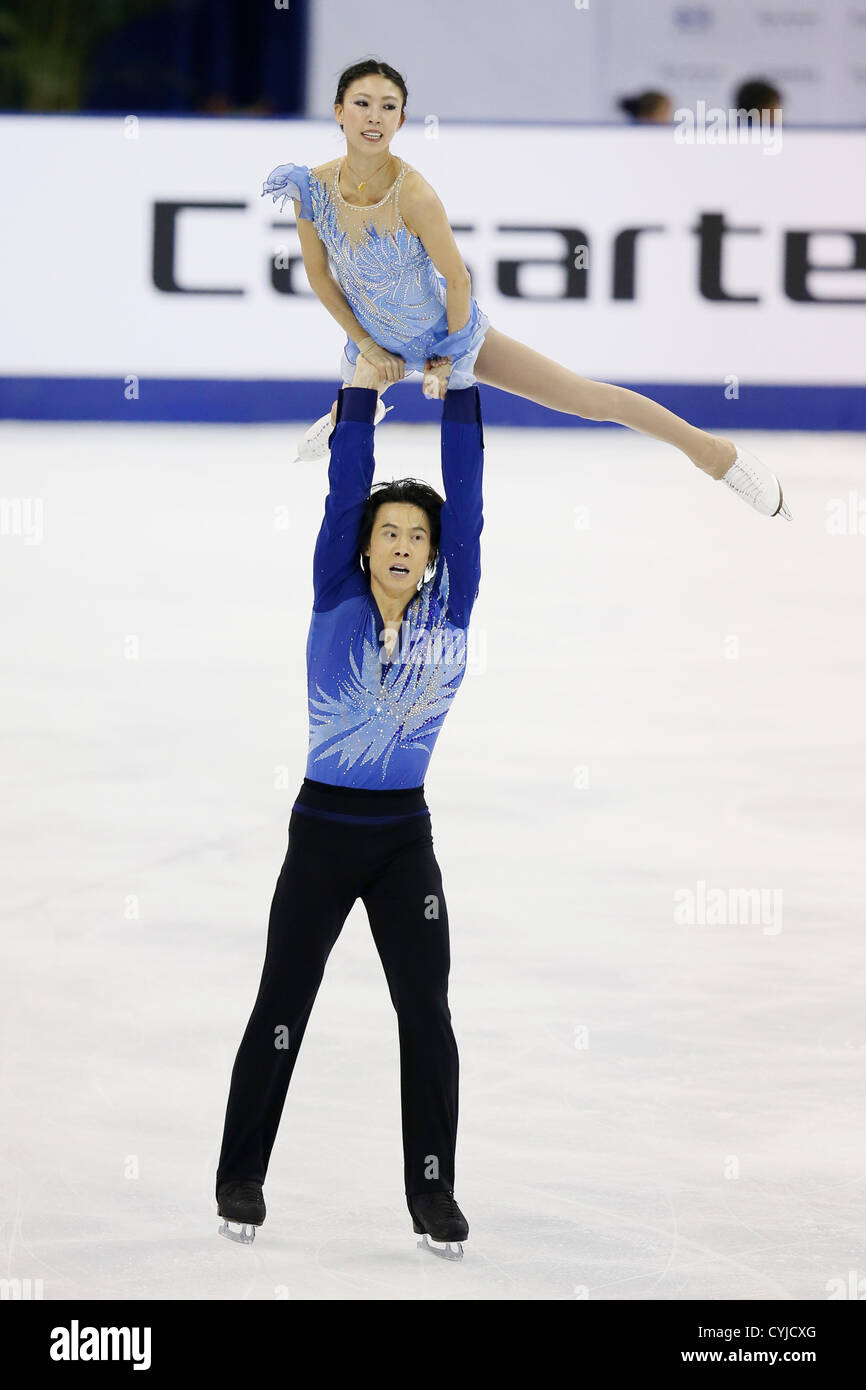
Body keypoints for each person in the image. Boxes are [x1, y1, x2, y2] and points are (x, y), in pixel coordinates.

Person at [214, 348, 484, 1261]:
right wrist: (360, 391)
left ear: (434, 556)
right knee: (282, 1002)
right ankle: (240, 1175)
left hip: (404, 839)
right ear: (366, 545)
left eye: (418, 536)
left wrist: (464, 395)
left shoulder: (454, 609)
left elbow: (472, 509)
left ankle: (433, 1193)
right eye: (390, 533)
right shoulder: (335, 593)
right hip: (323, 833)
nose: (404, 545)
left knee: (427, 1014)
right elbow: (346, 484)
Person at [262, 58, 790, 520]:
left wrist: (447, 354)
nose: (373, 116)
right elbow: (319, 275)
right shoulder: (310, 187)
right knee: (350, 434)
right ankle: (359, 403)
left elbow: (458, 278)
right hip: (372, 341)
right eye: (361, 103)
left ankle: (714, 455)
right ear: (339, 112)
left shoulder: (415, 193)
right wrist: (370, 346)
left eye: (388, 106)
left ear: (401, 119)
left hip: (449, 333)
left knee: (586, 399)